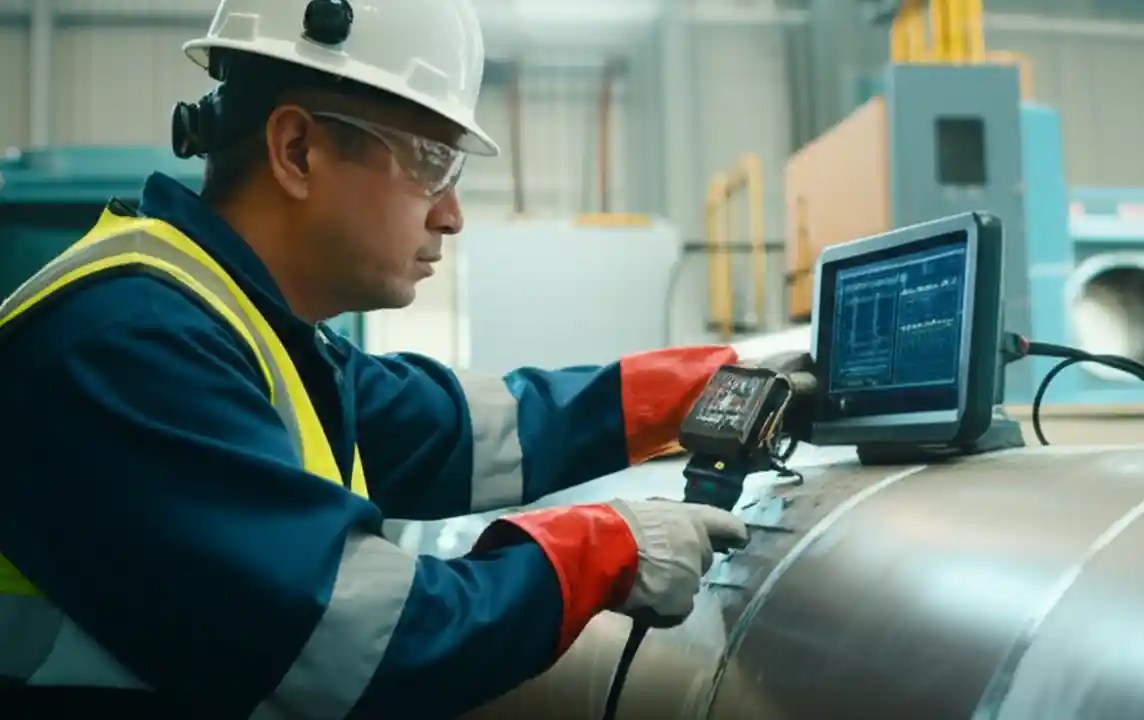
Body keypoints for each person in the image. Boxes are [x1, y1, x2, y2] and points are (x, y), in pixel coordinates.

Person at [0, 1, 758, 717]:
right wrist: (606, 547)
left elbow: (457, 431)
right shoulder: (131, 345)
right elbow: (371, 649)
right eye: (433, 163)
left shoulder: (234, 328)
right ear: (297, 150)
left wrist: (704, 385)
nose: (452, 215)